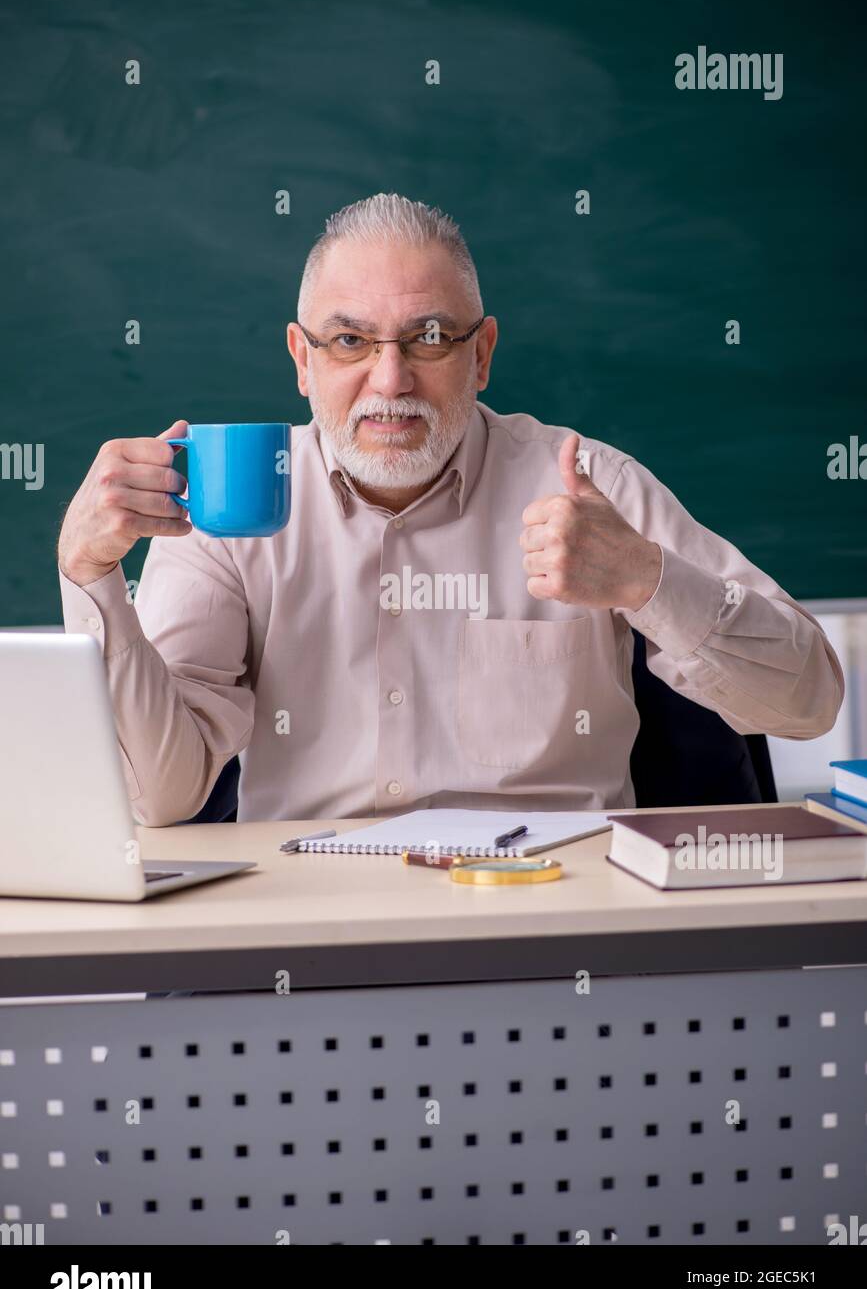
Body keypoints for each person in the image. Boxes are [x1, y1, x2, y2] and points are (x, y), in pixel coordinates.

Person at [57, 194, 843, 826]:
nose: (390, 379)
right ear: (302, 359)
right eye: (349, 341)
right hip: (306, 940)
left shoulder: (586, 484)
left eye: (428, 339)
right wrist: (92, 577)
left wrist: (647, 580)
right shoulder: (229, 510)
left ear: (482, 355)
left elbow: (807, 701)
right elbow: (163, 797)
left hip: (560, 928)